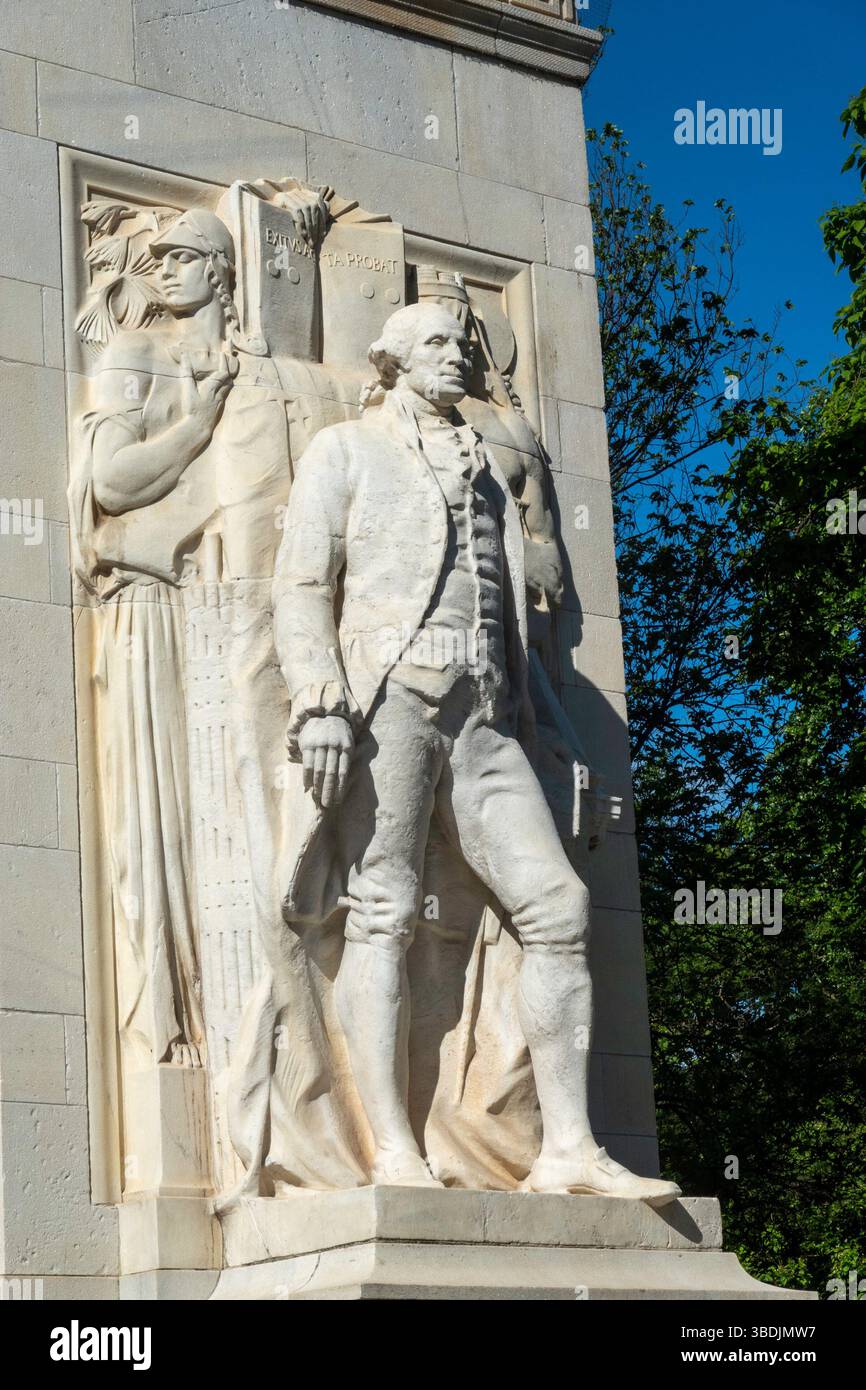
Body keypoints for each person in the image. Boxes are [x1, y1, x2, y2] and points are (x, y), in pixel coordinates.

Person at [271, 301, 681, 1202]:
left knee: (559, 906)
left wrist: (561, 736)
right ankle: (392, 1151)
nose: (458, 358)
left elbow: (520, 631)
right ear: (390, 360)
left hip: (490, 720)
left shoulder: (489, 469)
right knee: (381, 913)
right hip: (392, 703)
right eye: (437, 345)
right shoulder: (345, 450)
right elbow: (303, 584)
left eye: (464, 344)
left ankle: (570, 1148)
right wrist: (321, 704)